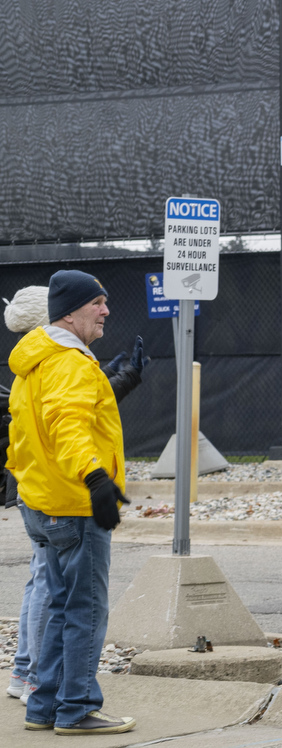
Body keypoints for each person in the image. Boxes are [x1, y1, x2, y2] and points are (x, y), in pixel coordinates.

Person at [2, 287, 146, 703]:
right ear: (67, 314)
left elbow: (40, 426)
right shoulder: (68, 361)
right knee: (83, 611)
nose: (106, 310)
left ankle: (41, 699)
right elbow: (68, 426)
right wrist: (95, 477)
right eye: (96, 303)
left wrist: (113, 380)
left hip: (41, 498)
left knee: (55, 600)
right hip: (72, 502)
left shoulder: (33, 361)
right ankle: (75, 707)